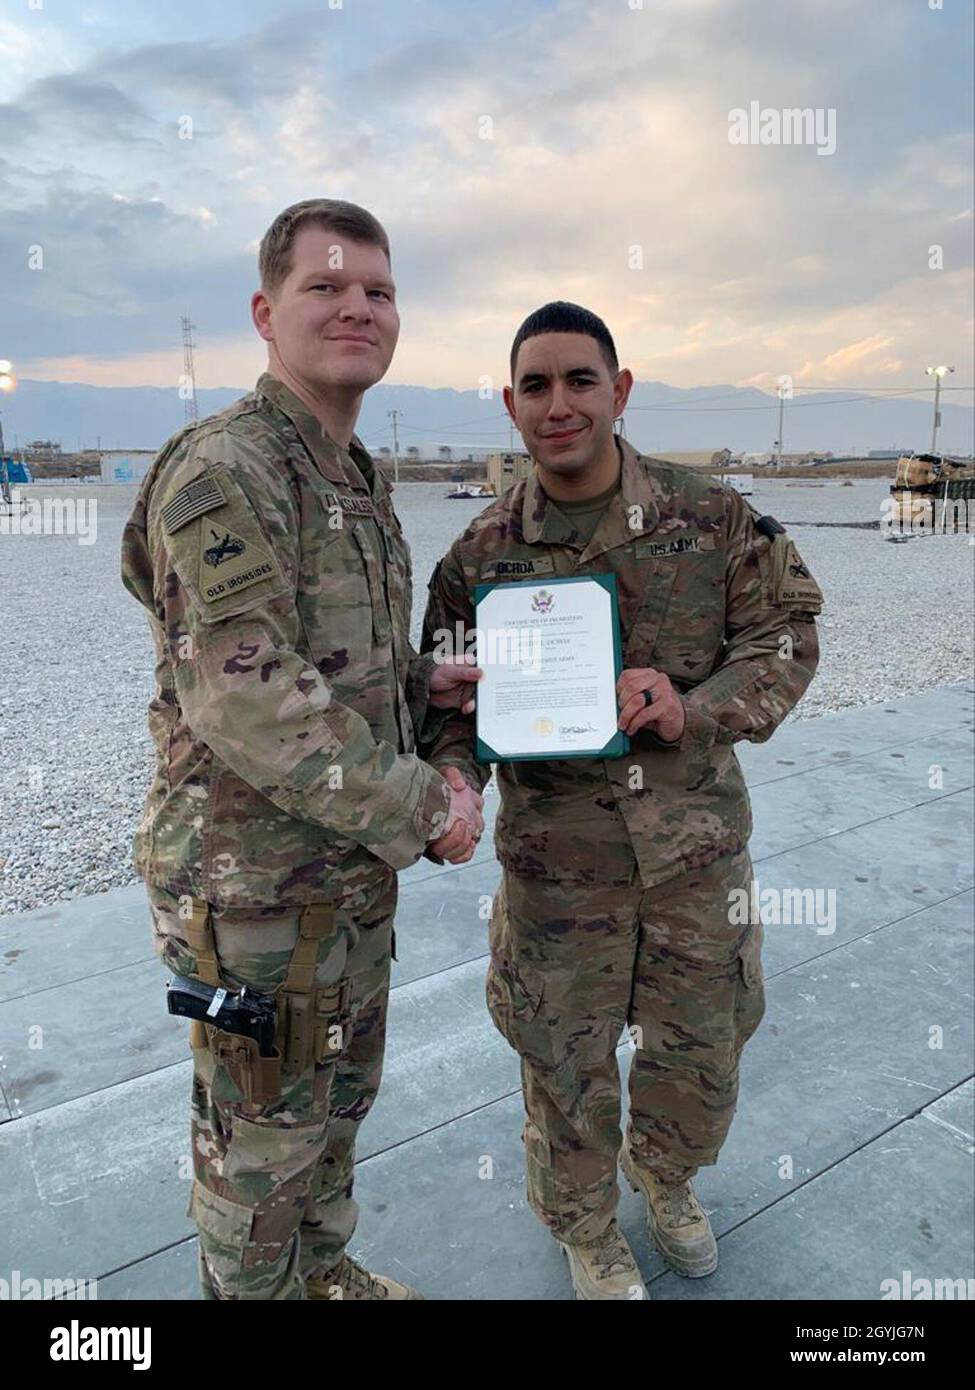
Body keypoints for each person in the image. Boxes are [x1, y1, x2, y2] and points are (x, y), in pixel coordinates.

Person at [420, 301, 824, 1300]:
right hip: (561, 878)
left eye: (579, 380)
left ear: (620, 389)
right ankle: (587, 1227)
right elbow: (443, 699)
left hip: (695, 861)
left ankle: (670, 1176)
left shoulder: (714, 517)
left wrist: (692, 706)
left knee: (703, 1049)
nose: (559, 404)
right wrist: (456, 775)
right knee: (565, 1068)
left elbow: (786, 637)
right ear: (512, 405)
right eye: (535, 386)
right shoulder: (475, 561)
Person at [120, 198, 483, 1301]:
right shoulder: (226, 468)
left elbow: (335, 655)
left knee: (333, 1103)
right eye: (327, 287)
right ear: (266, 311)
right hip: (256, 895)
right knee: (261, 1145)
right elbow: (251, 698)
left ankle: (319, 1278)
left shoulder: (354, 474)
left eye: (377, 289)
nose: (357, 308)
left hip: (342, 878)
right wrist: (431, 807)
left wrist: (426, 682)